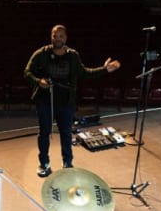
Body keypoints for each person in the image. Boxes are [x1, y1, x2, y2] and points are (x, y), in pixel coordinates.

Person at [24, 24, 121, 176]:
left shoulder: (73, 55)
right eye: (55, 36)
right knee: (44, 133)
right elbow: (27, 72)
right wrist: (39, 82)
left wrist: (105, 69)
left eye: (61, 36)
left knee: (66, 133)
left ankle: (67, 163)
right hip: (45, 100)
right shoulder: (41, 53)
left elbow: (85, 72)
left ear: (66, 38)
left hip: (66, 101)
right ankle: (44, 163)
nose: (57, 39)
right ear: (51, 37)